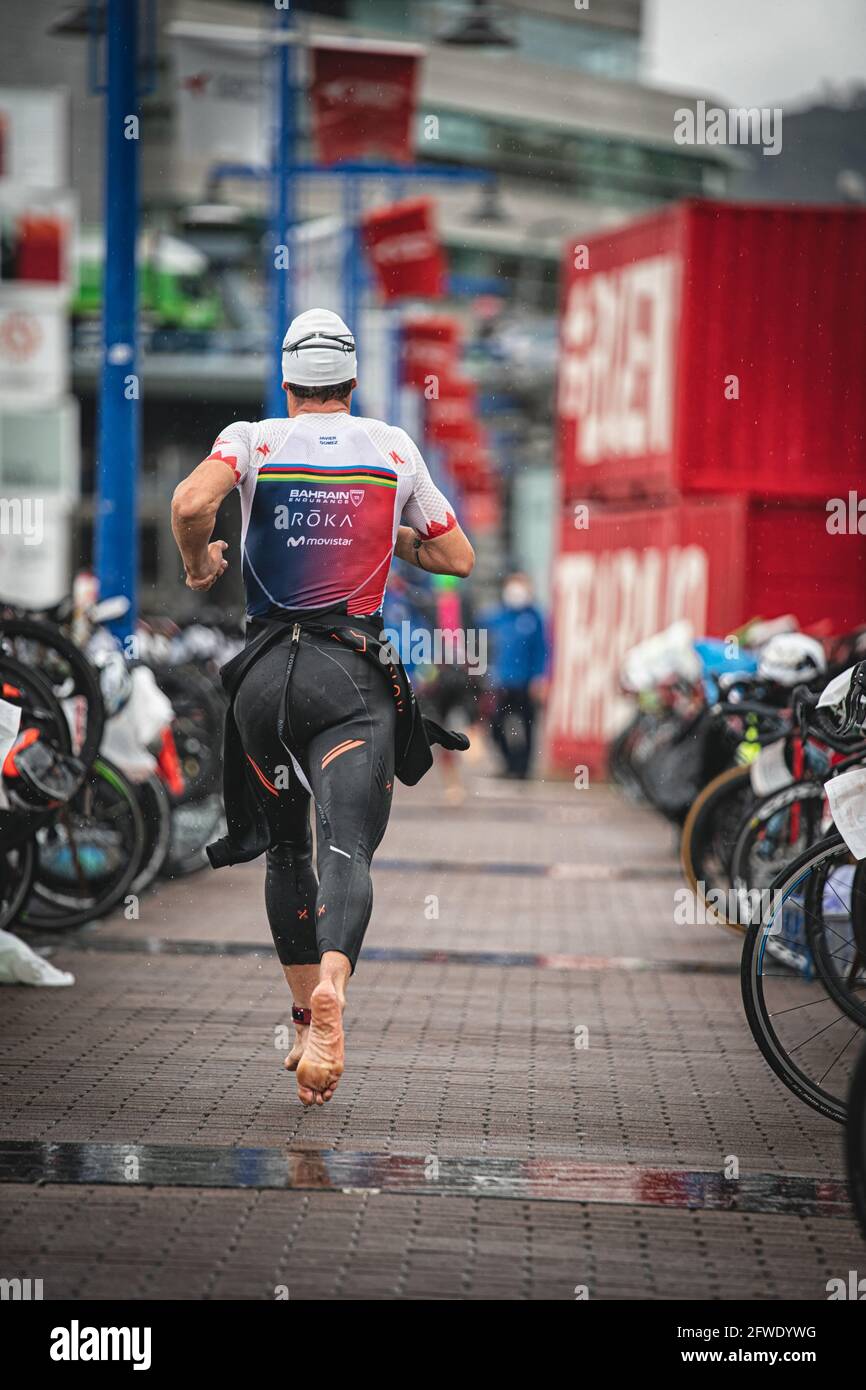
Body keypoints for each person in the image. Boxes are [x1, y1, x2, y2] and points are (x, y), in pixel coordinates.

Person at [170, 308, 474, 1107]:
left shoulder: (251, 439)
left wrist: (200, 562)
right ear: (351, 382)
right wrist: (391, 537)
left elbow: (187, 503)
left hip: (264, 681)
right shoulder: (392, 447)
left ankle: (305, 1021)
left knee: (287, 852)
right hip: (349, 679)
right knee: (348, 849)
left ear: (286, 381)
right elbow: (457, 556)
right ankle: (336, 984)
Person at [483, 572, 548, 780]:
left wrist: (540, 677)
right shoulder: (498, 616)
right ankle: (509, 763)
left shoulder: (535, 617)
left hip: (525, 682)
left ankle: (523, 769)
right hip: (502, 682)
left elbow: (542, 650)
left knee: (527, 725)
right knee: (495, 725)